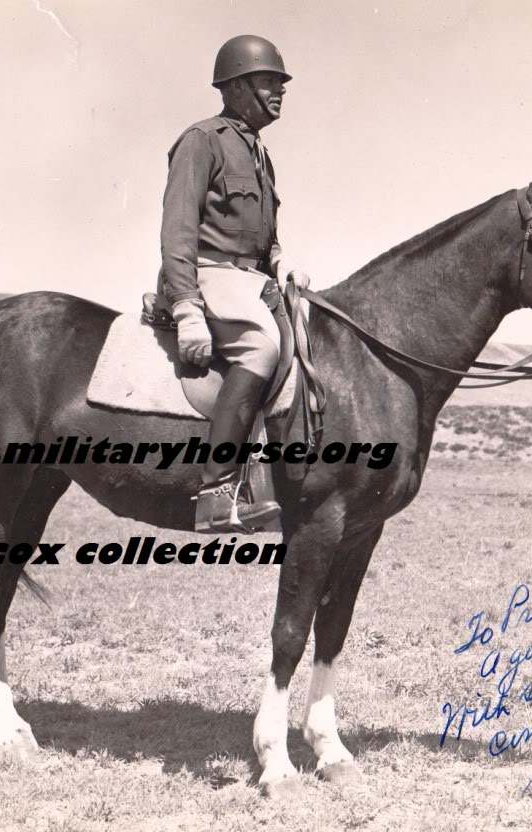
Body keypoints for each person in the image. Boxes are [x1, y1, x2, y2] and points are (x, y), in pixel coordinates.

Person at [159, 34, 311, 533]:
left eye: (281, 83)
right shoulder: (202, 140)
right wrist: (186, 308)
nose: (280, 91)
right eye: (270, 81)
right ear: (238, 87)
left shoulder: (260, 156)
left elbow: (262, 237)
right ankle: (216, 492)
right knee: (260, 352)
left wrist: (281, 261)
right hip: (209, 273)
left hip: (251, 279)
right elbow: (178, 229)